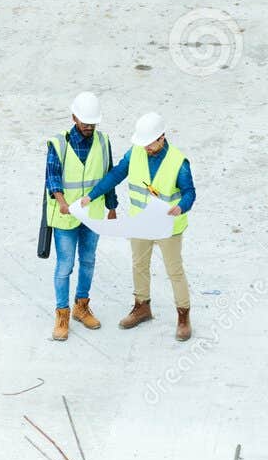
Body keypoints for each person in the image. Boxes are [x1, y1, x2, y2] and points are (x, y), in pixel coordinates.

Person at [83, 111, 196, 342]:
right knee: (138, 265)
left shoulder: (178, 162)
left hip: (168, 227)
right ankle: (142, 307)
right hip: (141, 224)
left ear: (161, 138)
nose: (145, 148)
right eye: (142, 143)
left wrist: (181, 207)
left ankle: (183, 317)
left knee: (174, 271)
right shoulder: (135, 152)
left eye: (149, 144)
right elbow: (115, 175)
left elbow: (189, 192)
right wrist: (92, 196)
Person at [44, 92, 117, 341]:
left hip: (92, 215)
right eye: (84, 121)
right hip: (65, 217)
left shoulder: (103, 141)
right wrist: (63, 203)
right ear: (74, 117)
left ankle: (81, 307)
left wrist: (112, 206)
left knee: (88, 261)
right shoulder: (59, 144)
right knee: (65, 266)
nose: (88, 126)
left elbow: (109, 176)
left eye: (92, 122)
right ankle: (62, 314)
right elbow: (52, 178)